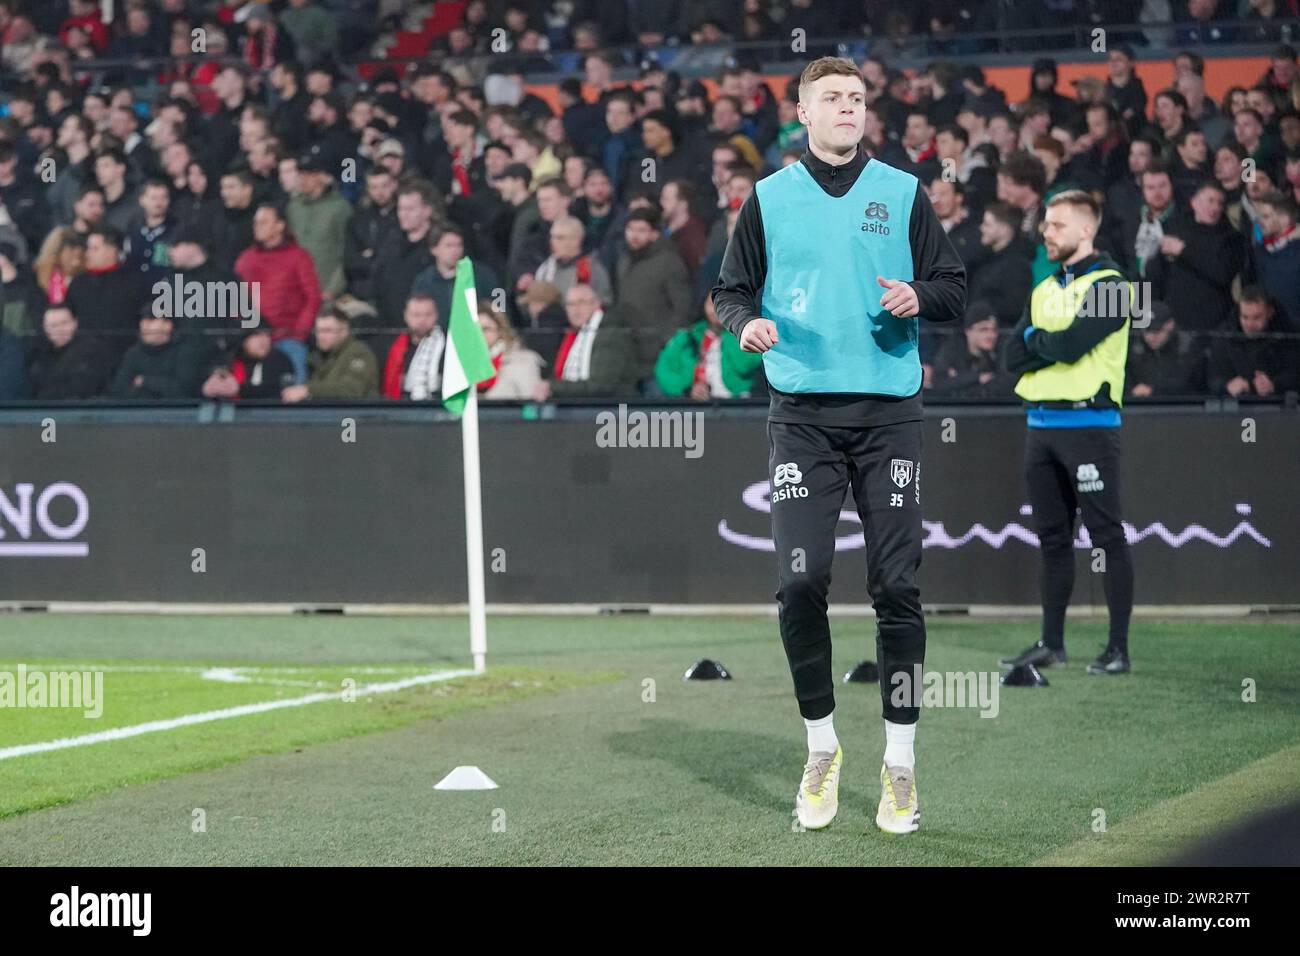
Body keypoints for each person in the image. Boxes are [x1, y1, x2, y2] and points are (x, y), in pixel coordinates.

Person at [712, 57, 965, 835]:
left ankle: (901, 766)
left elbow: (953, 288)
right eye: (833, 98)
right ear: (804, 112)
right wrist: (742, 324)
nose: (848, 108)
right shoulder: (768, 198)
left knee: (896, 587)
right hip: (801, 417)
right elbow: (728, 292)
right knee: (799, 584)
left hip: (889, 416)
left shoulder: (903, 190)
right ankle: (821, 748)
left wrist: (917, 295)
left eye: (857, 98)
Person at [1002, 190, 1136, 677]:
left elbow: (1072, 345)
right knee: (1053, 540)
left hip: (1089, 426)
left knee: (1106, 535)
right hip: (1041, 425)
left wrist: (1038, 340)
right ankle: (1051, 644)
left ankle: (1117, 648)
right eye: (1045, 225)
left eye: (1056, 225)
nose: (1046, 232)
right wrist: (1046, 344)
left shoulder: (1112, 285)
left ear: (1086, 230)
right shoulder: (1044, 287)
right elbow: (1010, 356)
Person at [281, 308, 378, 402]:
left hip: (357, 415)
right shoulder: (318, 356)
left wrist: (308, 390)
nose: (320, 336)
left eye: (327, 331)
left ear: (343, 331)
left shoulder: (358, 353)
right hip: (329, 414)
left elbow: (351, 389)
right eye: (318, 331)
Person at [478, 305, 544, 399]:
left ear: (500, 330)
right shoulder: (467, 363)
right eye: (476, 329)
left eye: (486, 329)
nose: (480, 334)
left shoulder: (523, 360)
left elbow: (531, 402)